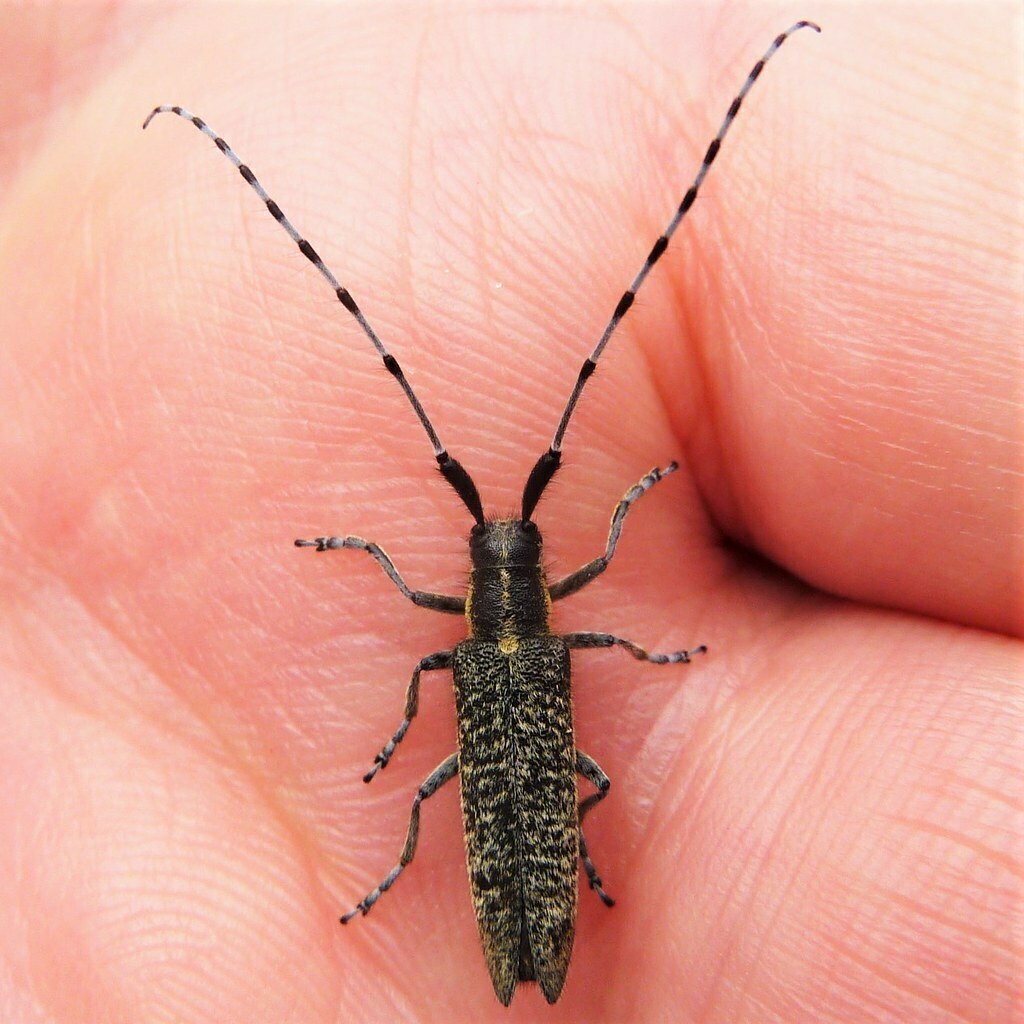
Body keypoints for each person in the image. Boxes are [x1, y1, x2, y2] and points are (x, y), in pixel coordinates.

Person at [1, 5, 1018, 1020]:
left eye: (508, 539)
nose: (504, 540)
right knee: (481, 791)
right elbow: (547, 608)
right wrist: (607, 532)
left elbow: (458, 637)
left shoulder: (471, 654)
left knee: (464, 785)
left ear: (505, 567)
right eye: (506, 540)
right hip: (522, 827)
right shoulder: (530, 650)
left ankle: (521, 892)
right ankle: (487, 887)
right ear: (518, 570)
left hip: (517, 824)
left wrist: (610, 536)